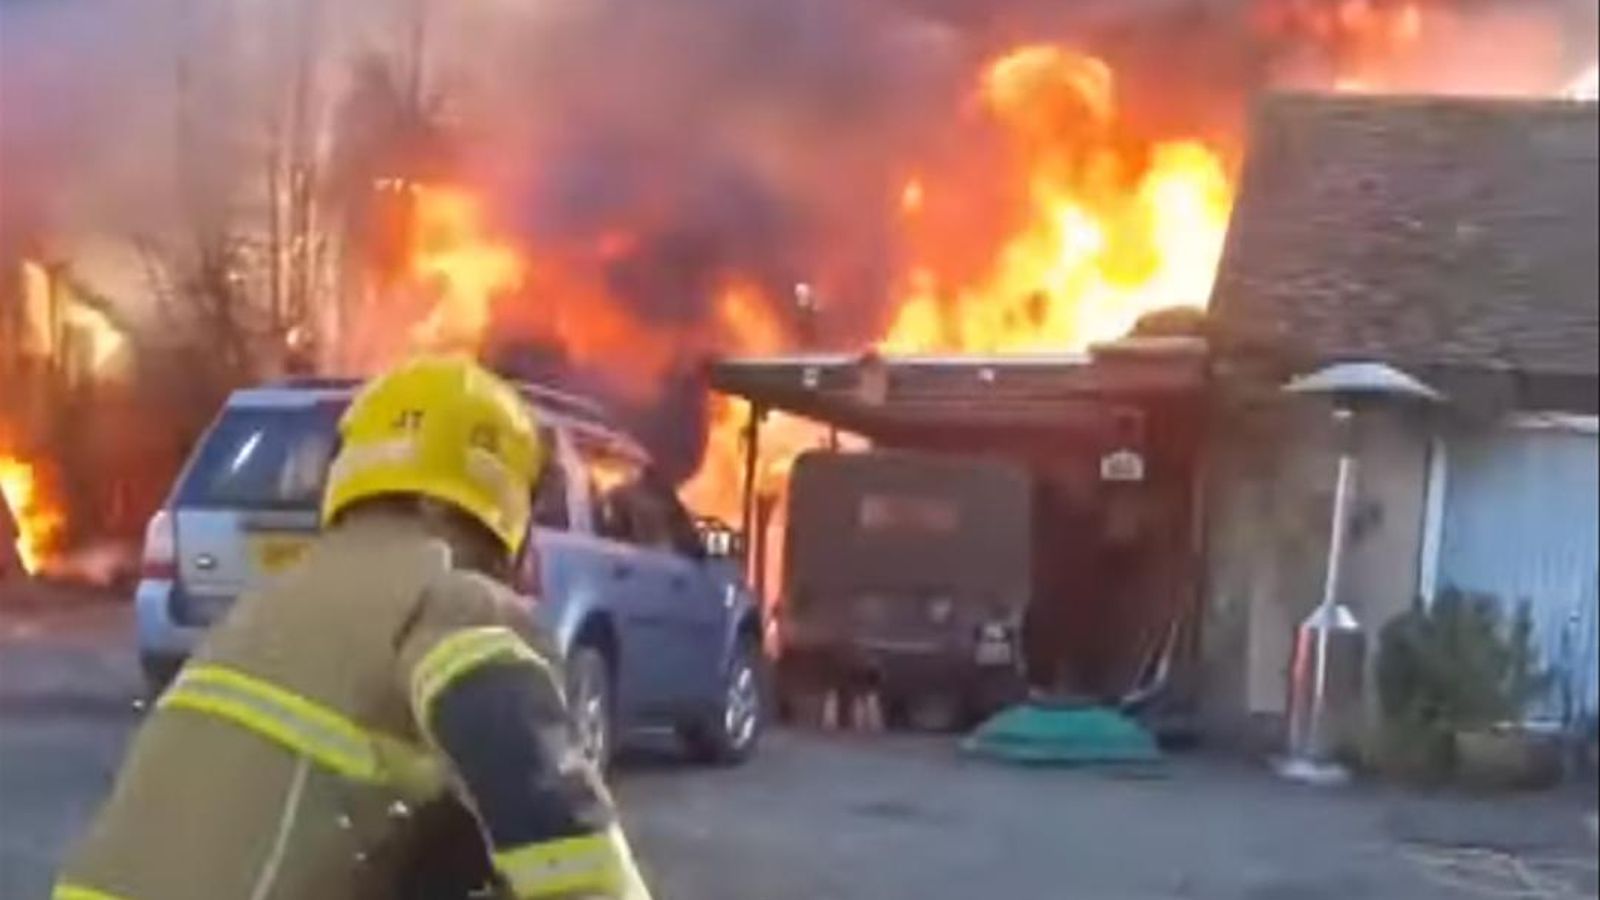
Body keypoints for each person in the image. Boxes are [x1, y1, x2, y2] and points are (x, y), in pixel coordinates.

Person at [55, 356, 652, 900]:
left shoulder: (265, 606)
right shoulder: (451, 600)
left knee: (446, 838)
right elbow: (563, 840)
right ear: (503, 501)